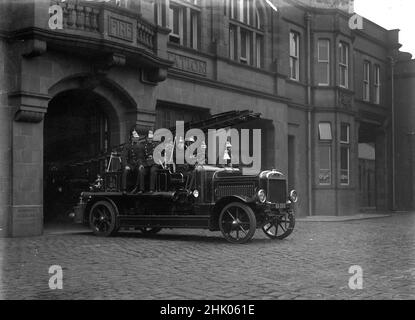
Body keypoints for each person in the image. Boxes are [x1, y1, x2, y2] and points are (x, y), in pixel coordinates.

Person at [121, 128, 144, 194]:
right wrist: (125, 165)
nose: (137, 139)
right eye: (135, 137)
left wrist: (140, 165)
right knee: (125, 171)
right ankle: (124, 189)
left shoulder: (140, 146)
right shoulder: (127, 146)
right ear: (132, 138)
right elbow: (124, 157)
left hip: (137, 164)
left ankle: (140, 189)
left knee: (141, 170)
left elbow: (140, 157)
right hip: (130, 164)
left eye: (137, 137)